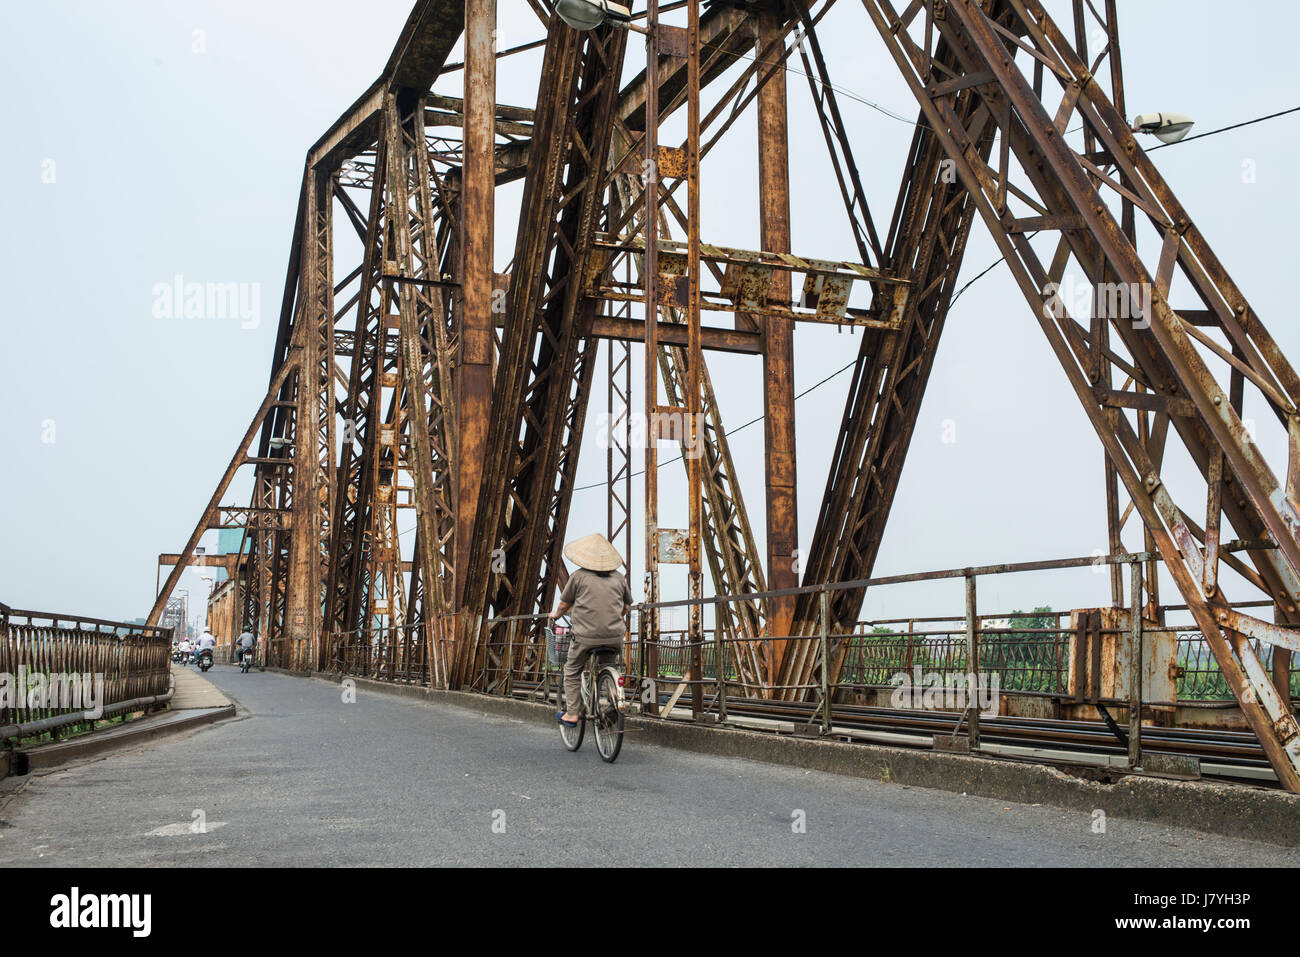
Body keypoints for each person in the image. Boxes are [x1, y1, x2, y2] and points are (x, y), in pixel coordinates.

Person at [549, 533, 631, 727]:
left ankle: (572, 713)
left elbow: (564, 604)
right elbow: (627, 607)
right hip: (614, 636)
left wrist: (555, 615)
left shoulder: (578, 577)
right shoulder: (619, 578)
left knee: (571, 669)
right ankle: (615, 699)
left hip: (586, 637)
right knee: (607, 665)